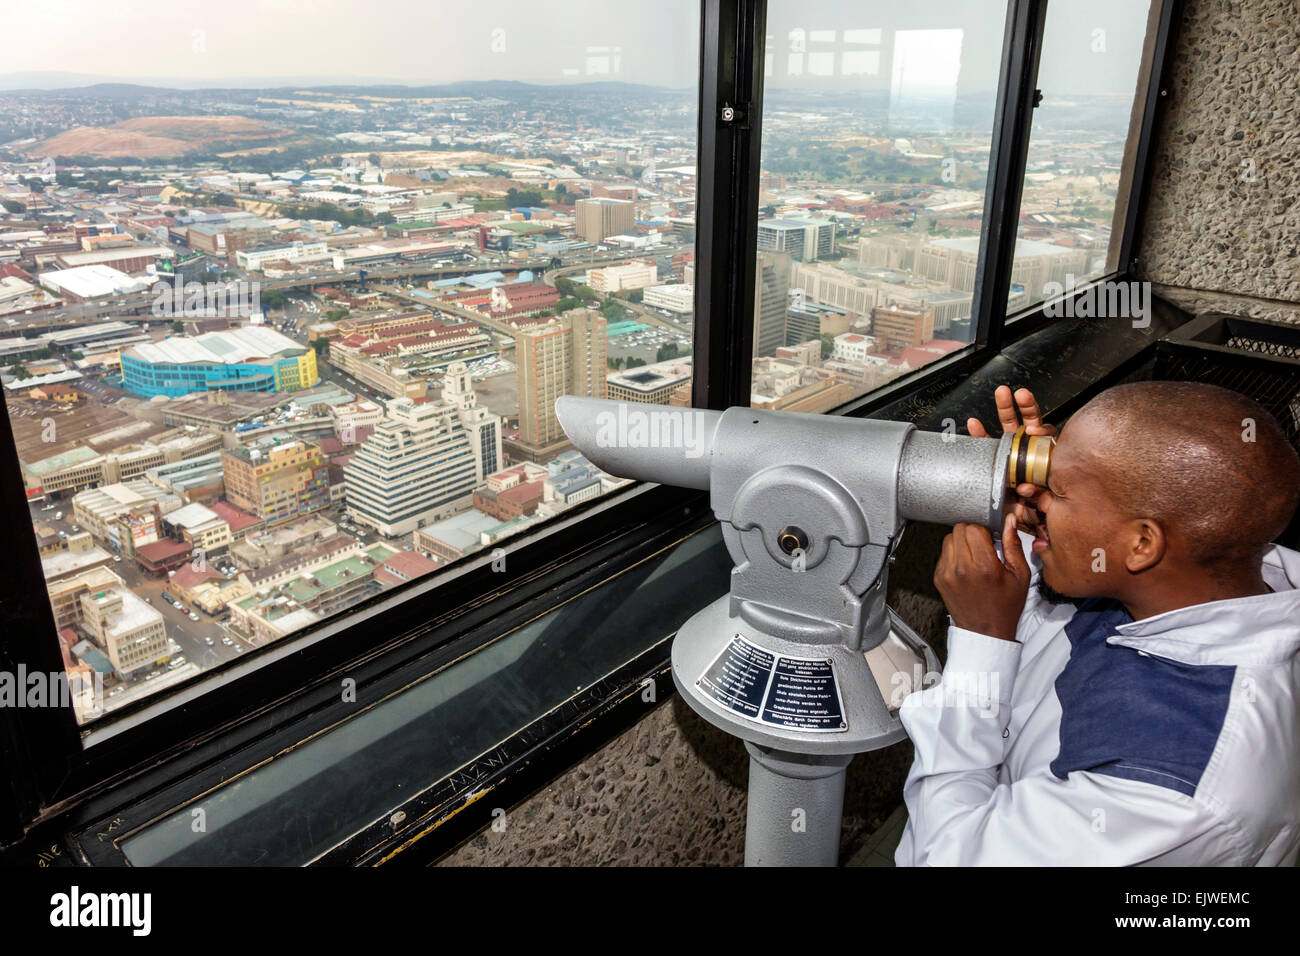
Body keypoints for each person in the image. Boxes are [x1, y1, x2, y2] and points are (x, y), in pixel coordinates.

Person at [894, 382, 1300, 865]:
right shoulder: (1197, 580)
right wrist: (1034, 527)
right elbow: (1047, 658)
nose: (1040, 498)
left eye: (1058, 492)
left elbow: (945, 855)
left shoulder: (1176, 794)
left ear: (1142, 544)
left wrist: (982, 643)